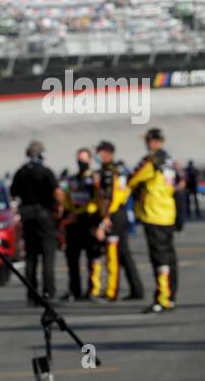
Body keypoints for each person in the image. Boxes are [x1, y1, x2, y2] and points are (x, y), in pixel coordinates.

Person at [128, 128, 179, 312]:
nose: (147, 144)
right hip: (168, 213)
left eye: (148, 140)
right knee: (169, 257)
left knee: (160, 258)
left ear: (154, 141)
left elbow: (132, 178)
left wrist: (139, 187)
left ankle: (162, 299)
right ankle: (170, 296)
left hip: (153, 214)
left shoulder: (151, 160)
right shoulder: (169, 160)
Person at [91, 141, 144, 302]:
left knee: (112, 255)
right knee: (124, 253)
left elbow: (108, 197)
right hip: (121, 213)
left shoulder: (108, 171)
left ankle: (111, 292)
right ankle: (137, 289)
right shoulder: (121, 169)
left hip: (112, 214)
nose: (98, 156)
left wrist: (104, 220)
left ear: (107, 153)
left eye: (100, 152)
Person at [9, 141, 60, 303]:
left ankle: (31, 293)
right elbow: (57, 192)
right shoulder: (46, 172)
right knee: (47, 256)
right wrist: (59, 209)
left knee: (31, 257)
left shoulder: (21, 172)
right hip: (44, 216)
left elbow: (13, 193)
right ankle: (48, 292)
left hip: (27, 216)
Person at [60, 148, 101, 301]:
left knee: (93, 257)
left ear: (90, 160)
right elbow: (67, 199)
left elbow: (99, 200)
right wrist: (69, 213)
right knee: (72, 258)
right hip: (75, 221)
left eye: (84, 159)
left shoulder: (95, 178)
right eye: (79, 159)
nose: (81, 162)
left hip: (89, 219)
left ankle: (93, 290)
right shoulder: (73, 179)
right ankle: (74, 290)